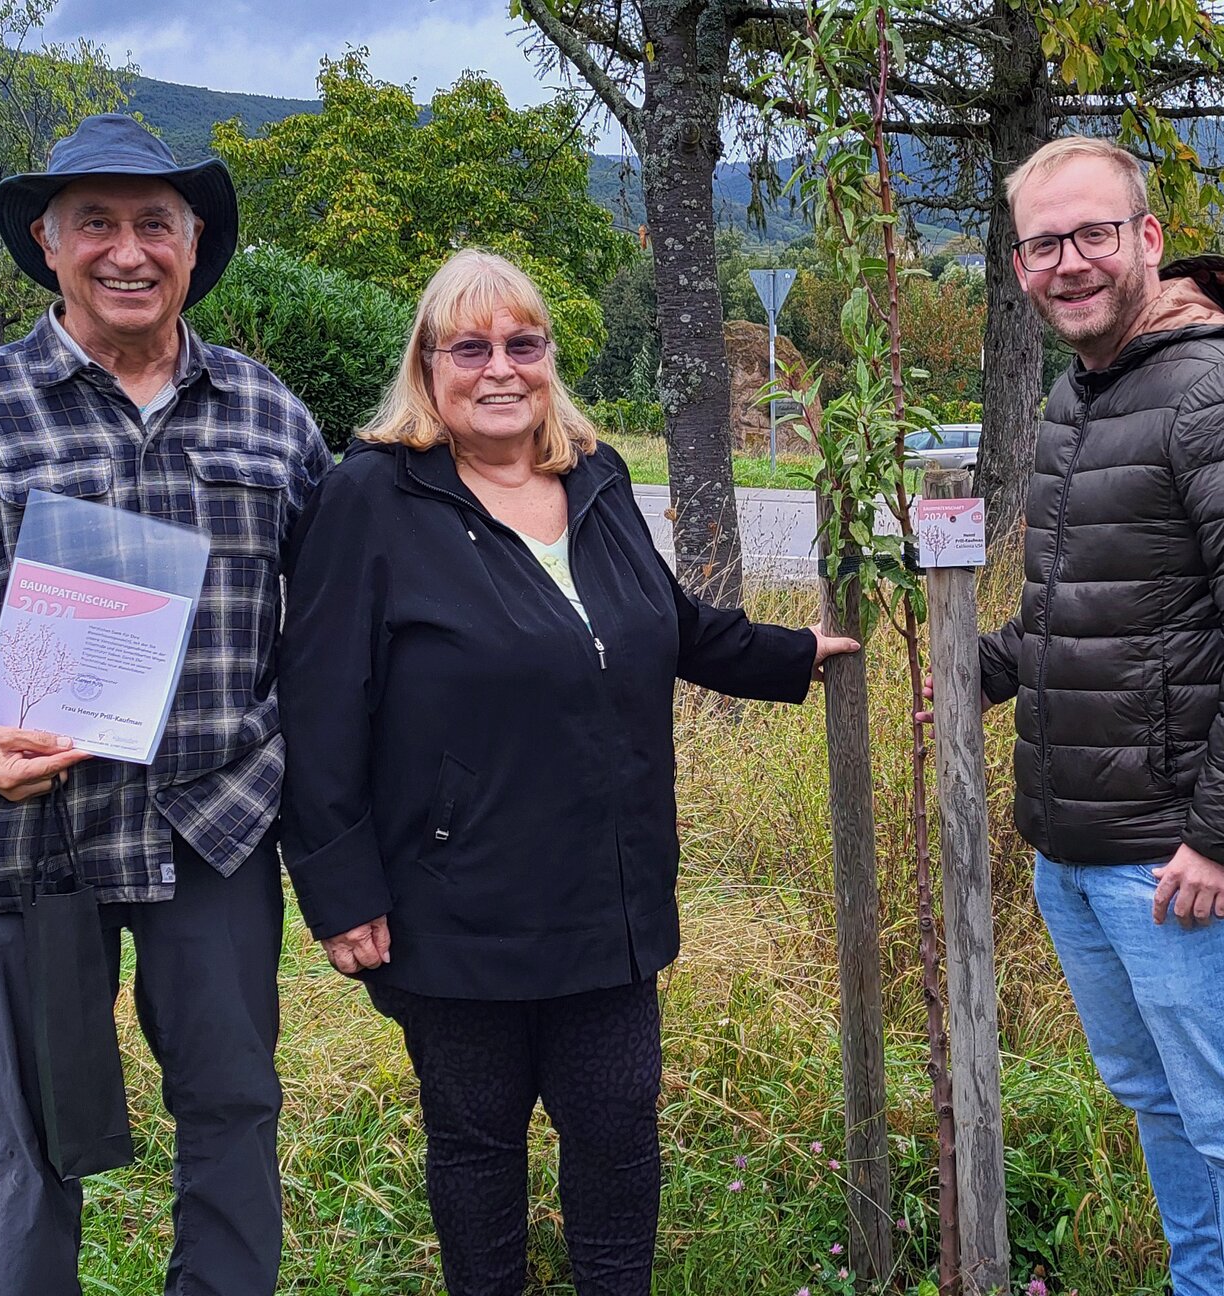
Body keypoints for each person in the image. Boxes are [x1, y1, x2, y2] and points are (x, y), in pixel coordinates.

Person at [277, 249, 858, 1294]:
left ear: (547, 359)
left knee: (617, 1141)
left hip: (608, 897)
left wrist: (790, 654)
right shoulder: (370, 496)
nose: (498, 368)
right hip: (454, 904)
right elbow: (318, 703)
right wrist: (338, 887)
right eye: (470, 347)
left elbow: (661, 623)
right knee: (476, 1148)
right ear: (427, 363)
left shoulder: (588, 476)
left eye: (521, 344)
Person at [0, 113, 329, 1296]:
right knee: (32, 1141)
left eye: (153, 223)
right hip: (25, 835)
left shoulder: (271, 420)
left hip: (212, 828)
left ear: (193, 242)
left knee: (231, 1110)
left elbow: (326, 635)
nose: (128, 249)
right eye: (96, 223)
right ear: (48, 245)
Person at [949, 136, 1224, 1295]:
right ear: (1018, 261)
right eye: (1041, 243)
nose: (1067, 262)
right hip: (1078, 847)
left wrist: (1223, 838)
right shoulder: (1082, 396)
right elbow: (1090, 611)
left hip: (1177, 855)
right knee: (1161, 1106)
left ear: (1146, 240)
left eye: (1091, 235)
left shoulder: (1222, 392)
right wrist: (975, 670)